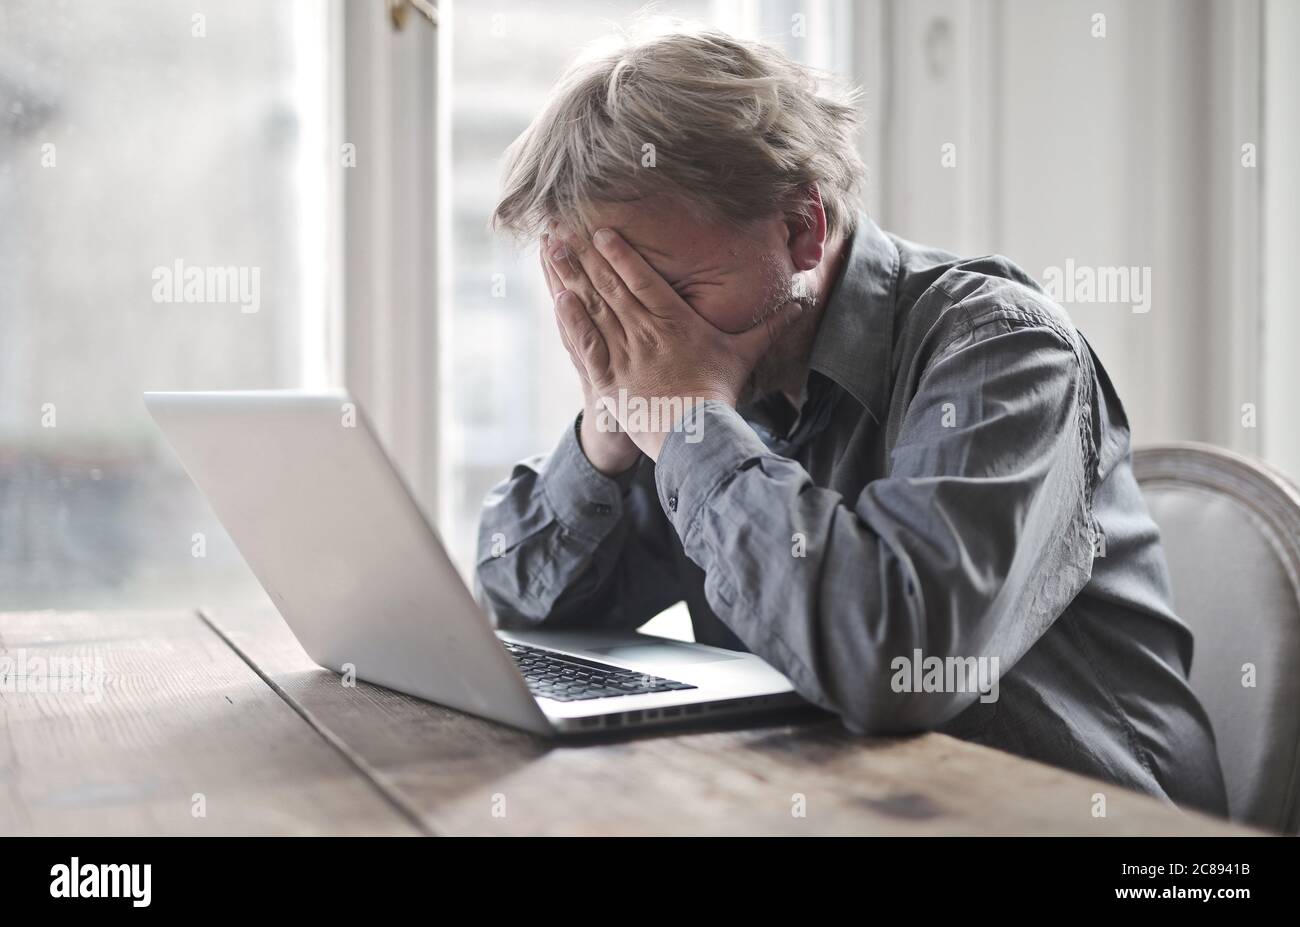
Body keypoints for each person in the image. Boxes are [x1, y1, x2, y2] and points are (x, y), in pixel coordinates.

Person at [475, 25, 1228, 816]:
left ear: (801, 229)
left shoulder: (1006, 350)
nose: (642, 335)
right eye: (610, 302)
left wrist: (692, 424)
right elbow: (518, 605)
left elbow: (894, 659)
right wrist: (610, 433)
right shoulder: (707, 364)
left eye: (665, 292)